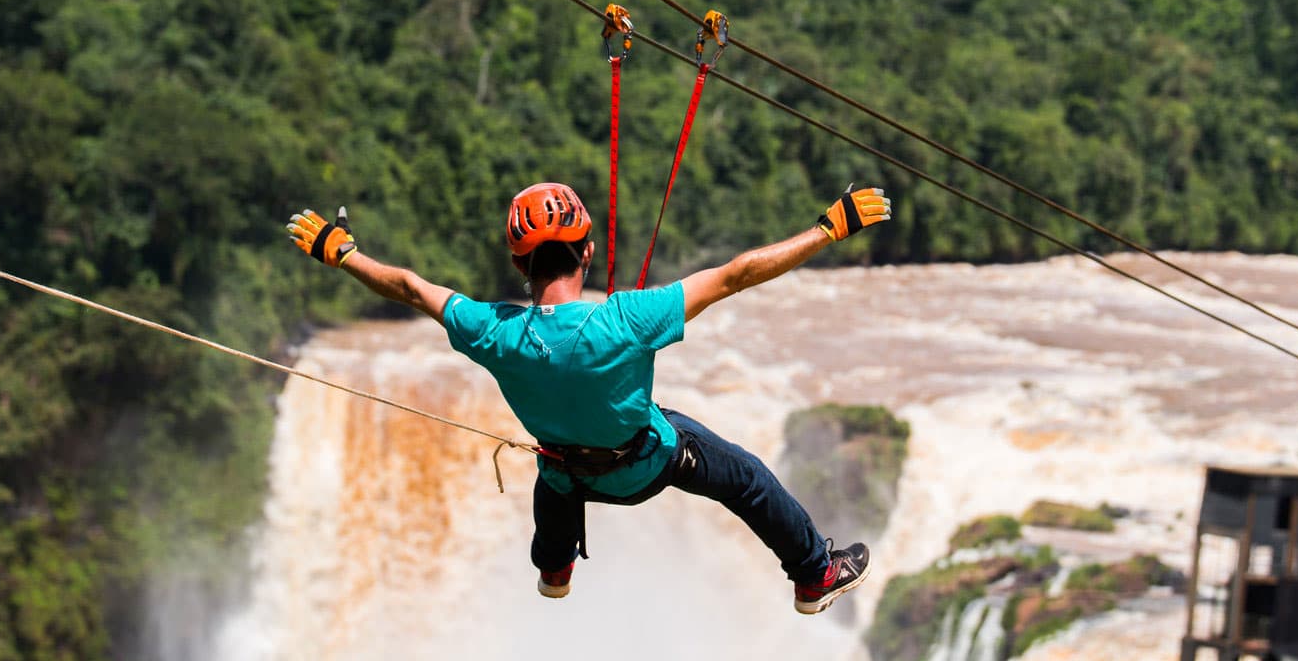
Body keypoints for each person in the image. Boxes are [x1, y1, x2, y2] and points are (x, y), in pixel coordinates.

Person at [286, 182, 891, 615]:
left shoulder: (491, 331)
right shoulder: (629, 318)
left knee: (555, 466)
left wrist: (340, 252)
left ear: (518, 261)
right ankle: (815, 576)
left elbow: (411, 288)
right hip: (645, 466)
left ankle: (554, 567)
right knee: (747, 477)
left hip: (568, 476)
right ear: (589, 252)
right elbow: (736, 274)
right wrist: (827, 228)